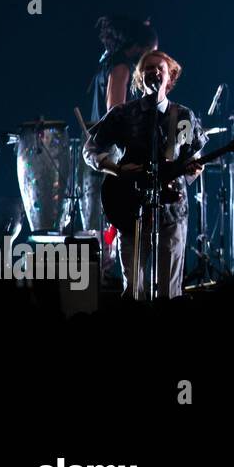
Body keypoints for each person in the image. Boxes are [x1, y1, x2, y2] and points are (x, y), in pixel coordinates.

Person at [83, 50, 204, 300]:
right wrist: (115, 168)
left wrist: (193, 168)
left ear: (170, 76)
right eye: (148, 68)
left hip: (171, 214)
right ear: (139, 77)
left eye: (159, 67)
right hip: (131, 213)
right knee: (133, 291)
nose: (154, 72)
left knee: (169, 294)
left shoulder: (182, 117)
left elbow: (194, 158)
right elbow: (91, 149)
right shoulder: (123, 114)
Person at [85, 15, 158, 288]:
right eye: (151, 55)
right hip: (110, 158)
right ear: (139, 49)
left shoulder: (108, 62)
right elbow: (116, 111)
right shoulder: (121, 68)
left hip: (100, 155)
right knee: (109, 227)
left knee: (100, 229)